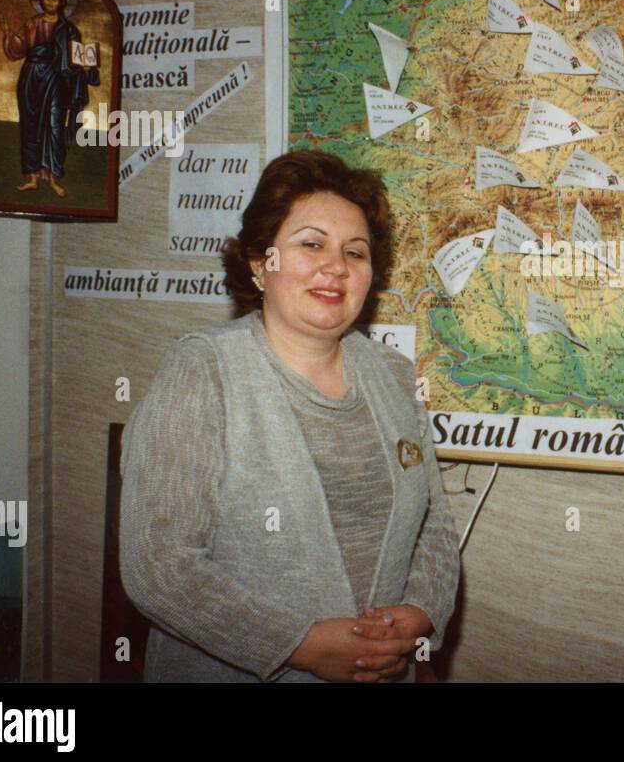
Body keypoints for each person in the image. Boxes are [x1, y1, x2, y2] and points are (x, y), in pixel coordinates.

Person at [120, 150, 459, 682]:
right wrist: (298, 645)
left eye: (356, 251)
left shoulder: (393, 374)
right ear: (259, 262)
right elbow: (159, 566)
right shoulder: (202, 370)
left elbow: (434, 521)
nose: (337, 267)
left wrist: (417, 615)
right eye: (311, 244)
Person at [0, 0, 99, 198]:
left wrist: (85, 66)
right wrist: (8, 34)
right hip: (32, 76)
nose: (50, 2)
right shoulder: (33, 23)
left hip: (56, 79)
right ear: (41, 0)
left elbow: (76, 56)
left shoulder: (68, 29)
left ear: (61, 3)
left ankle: (53, 177)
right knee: (30, 124)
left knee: (54, 125)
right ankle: (32, 177)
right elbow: (19, 48)